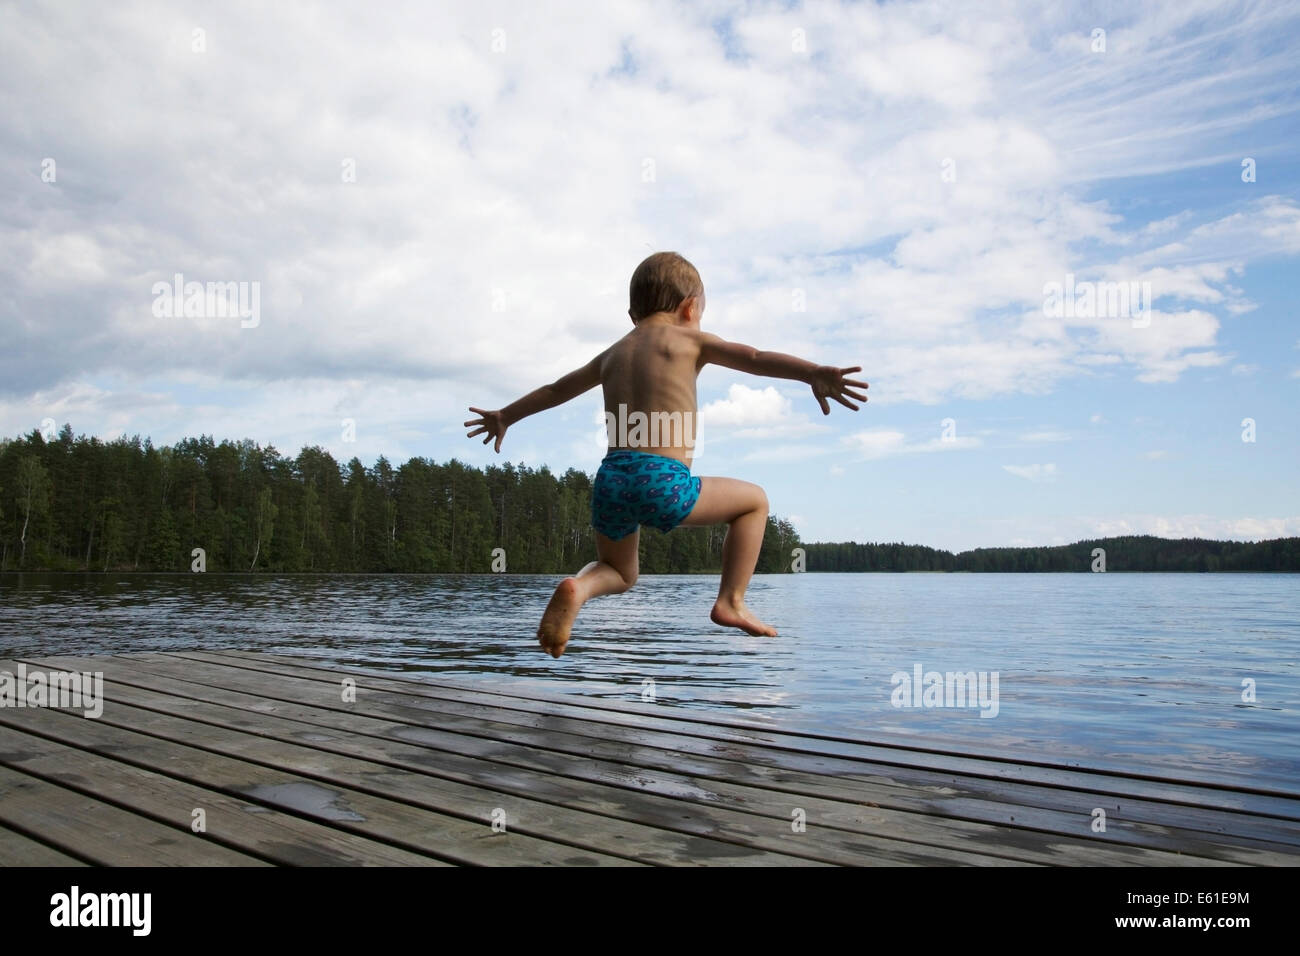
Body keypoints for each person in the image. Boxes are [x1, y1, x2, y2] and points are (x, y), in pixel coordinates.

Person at [466, 252, 867, 657]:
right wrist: (812, 372)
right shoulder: (691, 340)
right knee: (755, 502)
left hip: (610, 480)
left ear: (631, 314)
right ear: (690, 308)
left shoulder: (611, 354)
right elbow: (756, 358)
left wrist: (506, 416)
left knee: (619, 572)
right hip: (661, 479)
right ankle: (730, 600)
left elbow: (556, 389)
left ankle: (579, 587)